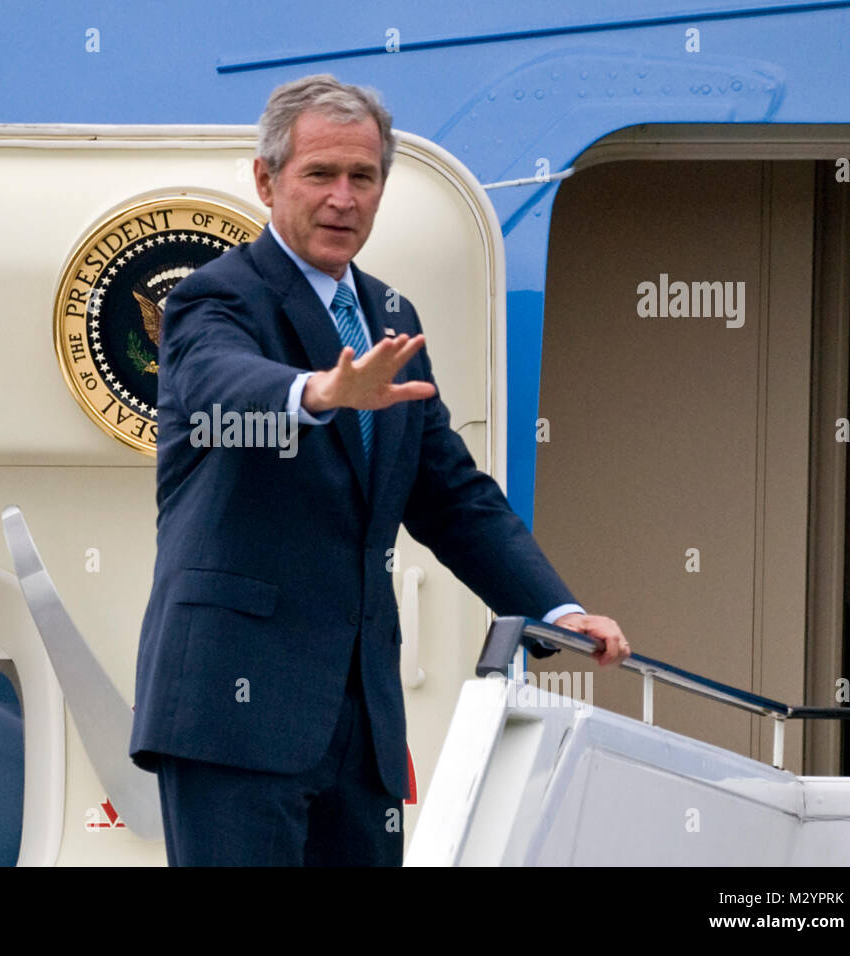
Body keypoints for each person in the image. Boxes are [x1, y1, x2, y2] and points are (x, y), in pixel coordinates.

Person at [129, 73, 629, 866]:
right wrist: (319, 391)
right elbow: (217, 383)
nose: (344, 198)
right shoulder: (214, 299)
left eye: (363, 177)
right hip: (233, 716)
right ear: (266, 180)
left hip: (359, 728)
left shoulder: (392, 318)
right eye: (320, 175)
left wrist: (557, 612)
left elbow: (454, 499)